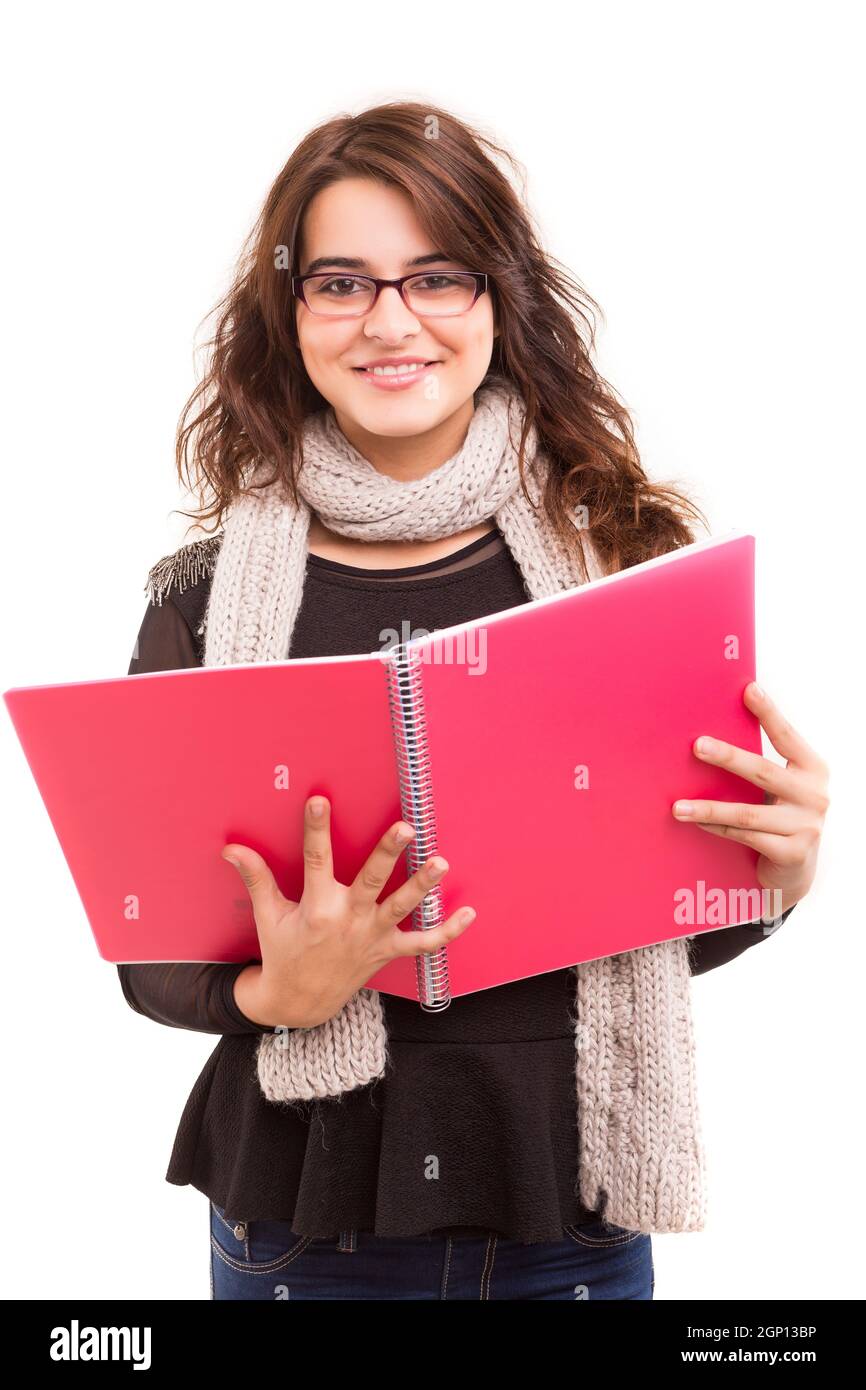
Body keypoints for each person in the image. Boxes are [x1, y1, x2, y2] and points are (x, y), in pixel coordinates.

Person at [120, 101, 829, 1301]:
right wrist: (269, 991)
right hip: (305, 1214)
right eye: (341, 282)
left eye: (435, 277)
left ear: (498, 298)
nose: (389, 321)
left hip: (570, 1209)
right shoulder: (199, 595)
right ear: (289, 314)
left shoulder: (621, 560)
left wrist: (775, 873)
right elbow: (146, 936)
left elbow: (652, 918)